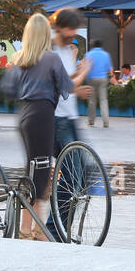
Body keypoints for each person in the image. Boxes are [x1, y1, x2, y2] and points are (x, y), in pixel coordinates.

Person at [3, 14, 76, 239]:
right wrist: (77, 64)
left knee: (34, 170)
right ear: (45, 34)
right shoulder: (52, 58)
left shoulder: (19, 58)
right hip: (43, 115)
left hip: (25, 116)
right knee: (41, 172)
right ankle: (32, 229)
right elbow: (67, 87)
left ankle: (31, 227)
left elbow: (8, 89)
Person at [50, 9, 92, 168]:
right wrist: (81, 78)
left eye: (75, 29)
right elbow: (58, 84)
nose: (73, 33)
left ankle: (61, 193)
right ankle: (60, 194)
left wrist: (78, 72)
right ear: (59, 27)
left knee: (82, 166)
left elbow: (67, 78)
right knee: (73, 168)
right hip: (57, 116)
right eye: (71, 29)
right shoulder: (51, 50)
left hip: (70, 116)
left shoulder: (67, 50)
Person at [83, 39, 113, 128]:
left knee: (92, 101)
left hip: (92, 79)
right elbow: (109, 68)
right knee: (103, 100)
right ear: (101, 46)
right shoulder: (106, 55)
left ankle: (91, 122)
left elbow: (86, 68)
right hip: (103, 79)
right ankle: (106, 122)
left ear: (93, 45)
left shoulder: (88, 54)